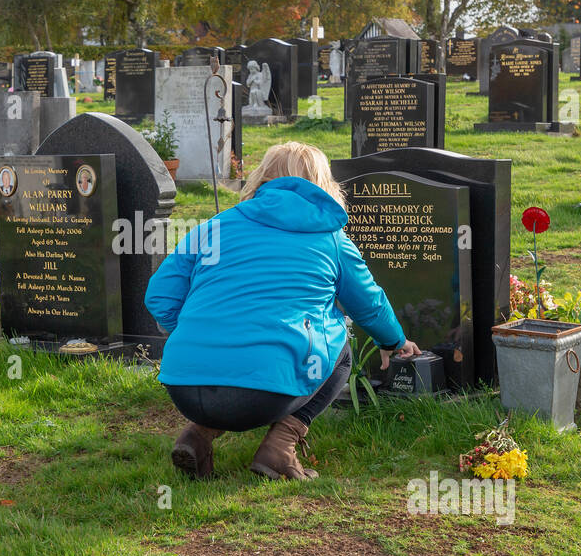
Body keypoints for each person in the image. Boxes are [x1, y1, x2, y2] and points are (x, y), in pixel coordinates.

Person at [145, 141, 421, 481]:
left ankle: (197, 436)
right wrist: (393, 342)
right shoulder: (332, 238)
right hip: (265, 395)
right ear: (323, 184)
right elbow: (368, 303)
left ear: (262, 177)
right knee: (342, 351)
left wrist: (195, 335)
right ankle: (281, 446)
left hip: (183, 386)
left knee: (232, 362)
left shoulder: (214, 227)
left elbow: (158, 295)